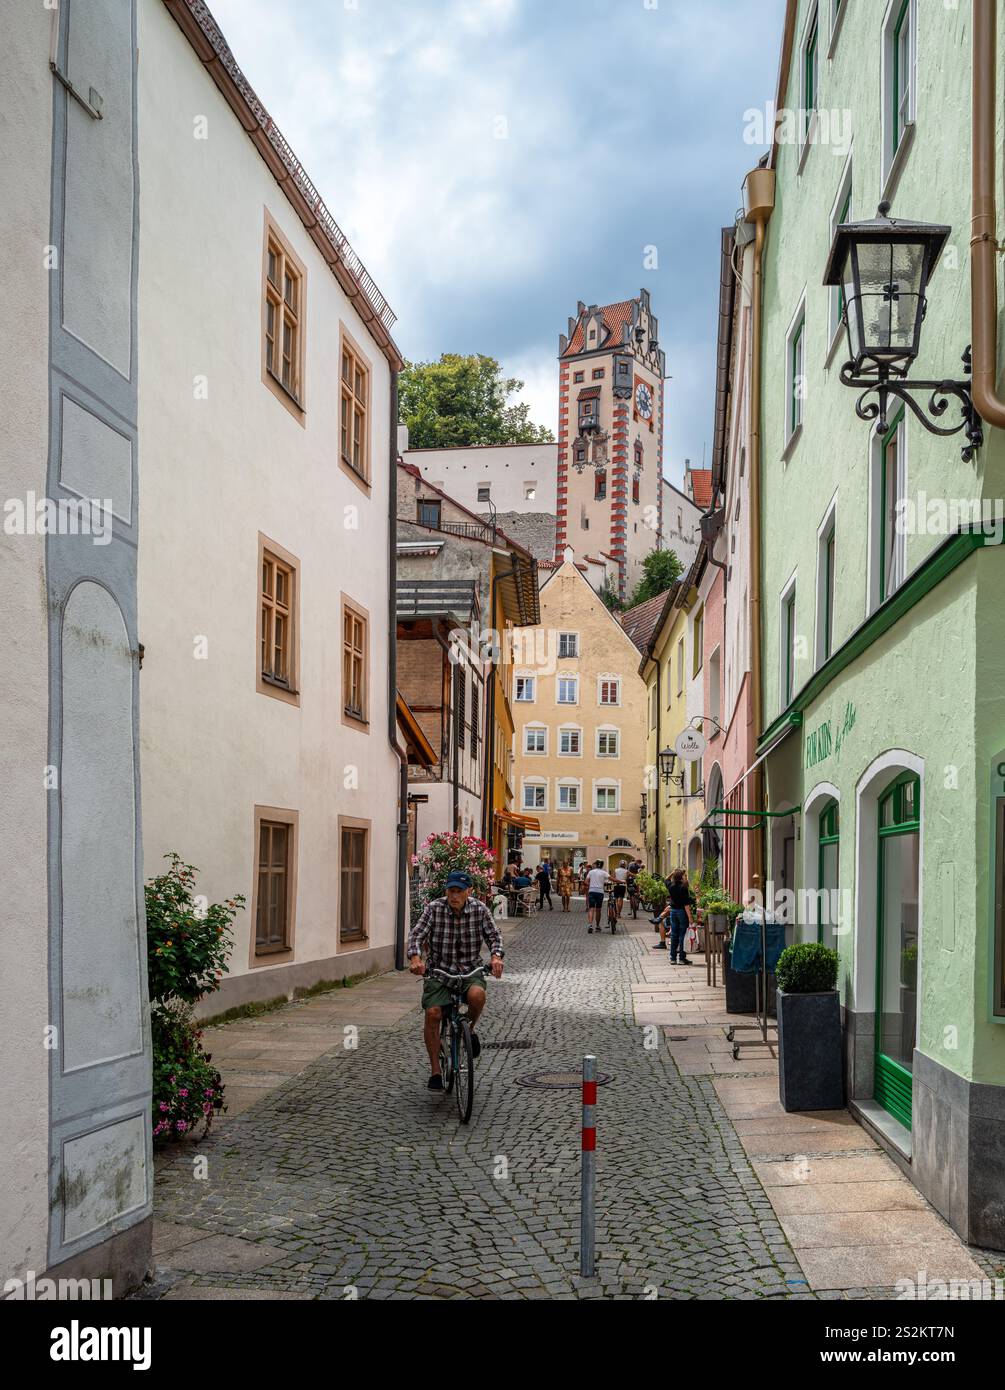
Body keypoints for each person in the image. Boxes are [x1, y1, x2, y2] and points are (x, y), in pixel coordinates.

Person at [407, 870, 505, 1090]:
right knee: (433, 1013)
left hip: (470, 970)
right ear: (446, 891)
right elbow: (416, 935)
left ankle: (468, 1031)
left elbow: (494, 935)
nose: (454, 896)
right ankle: (435, 1071)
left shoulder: (479, 909)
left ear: (468, 892)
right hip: (440, 971)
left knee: (477, 995)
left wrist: (496, 957)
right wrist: (415, 958)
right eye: (451, 891)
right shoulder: (434, 909)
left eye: (459, 891)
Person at [652, 868, 695, 962]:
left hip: (673, 912)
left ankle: (673, 958)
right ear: (681, 877)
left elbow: (666, 879)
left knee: (674, 934)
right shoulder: (684, 887)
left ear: (674, 877)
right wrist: (690, 917)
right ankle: (682, 959)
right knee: (682, 935)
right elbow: (686, 904)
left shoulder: (671, 886)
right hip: (682, 912)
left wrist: (673, 872)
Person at [584, 859, 611, 934]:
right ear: (602, 865)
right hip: (600, 892)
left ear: (596, 864)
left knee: (591, 909)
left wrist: (591, 885)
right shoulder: (604, 872)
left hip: (592, 891)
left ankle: (590, 925)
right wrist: (621, 881)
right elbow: (612, 879)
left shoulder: (591, 872)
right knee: (598, 909)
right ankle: (598, 926)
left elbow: (585, 881)